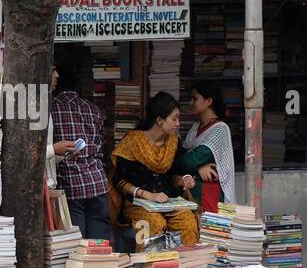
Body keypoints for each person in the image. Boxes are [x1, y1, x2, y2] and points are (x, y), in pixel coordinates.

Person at [111, 91, 199, 247]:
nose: (178, 123)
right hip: (137, 204)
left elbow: (173, 176)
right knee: (155, 223)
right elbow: (118, 181)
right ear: (159, 120)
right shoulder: (133, 142)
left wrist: (182, 180)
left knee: (188, 222)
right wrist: (148, 196)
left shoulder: (173, 142)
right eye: (174, 118)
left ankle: (185, 266)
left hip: (168, 203)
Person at [50, 65, 111, 240]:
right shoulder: (93, 109)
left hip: (70, 186)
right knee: (99, 245)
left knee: (77, 246)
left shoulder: (50, 110)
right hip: (97, 183)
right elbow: (100, 147)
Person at [177, 80, 236, 211]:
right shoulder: (194, 128)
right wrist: (198, 168)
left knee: (208, 229)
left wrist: (194, 167)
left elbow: (188, 162)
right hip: (192, 191)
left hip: (210, 194)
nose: (191, 103)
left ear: (209, 101)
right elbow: (181, 161)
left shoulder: (219, 129)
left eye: (195, 98)